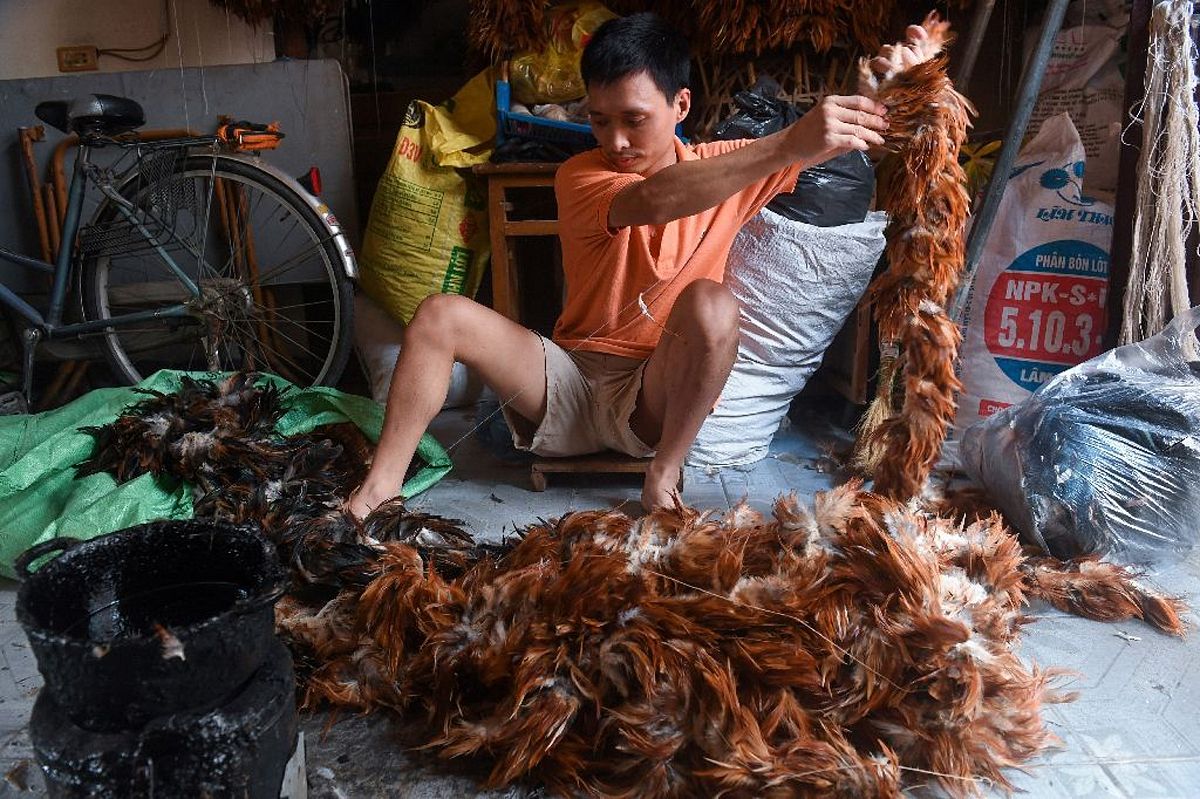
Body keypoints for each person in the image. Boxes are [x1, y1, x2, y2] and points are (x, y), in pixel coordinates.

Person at [347, 12, 891, 518]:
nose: (616, 141)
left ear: (681, 105)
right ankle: (380, 486)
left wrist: (887, 86)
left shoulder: (732, 166)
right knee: (440, 314)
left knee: (713, 304)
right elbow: (656, 198)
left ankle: (664, 472)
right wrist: (785, 146)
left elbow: (844, 144)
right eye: (600, 121)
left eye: (635, 120)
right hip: (565, 384)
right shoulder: (581, 174)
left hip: (650, 399)